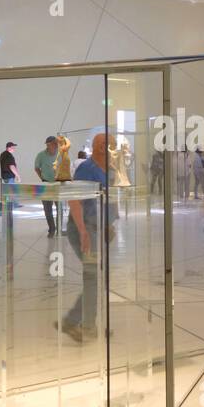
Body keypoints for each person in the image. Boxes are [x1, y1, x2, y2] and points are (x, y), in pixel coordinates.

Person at [59, 133, 118, 342]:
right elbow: (74, 199)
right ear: (93, 147)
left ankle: (80, 322)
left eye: (108, 144)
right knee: (93, 277)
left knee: (96, 278)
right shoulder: (86, 168)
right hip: (85, 230)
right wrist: (83, 231)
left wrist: (110, 224)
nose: (104, 147)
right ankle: (81, 324)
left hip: (100, 229)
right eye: (100, 144)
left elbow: (110, 200)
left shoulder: (111, 169)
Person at [35, 135, 60, 236]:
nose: (56, 145)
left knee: (60, 208)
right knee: (47, 209)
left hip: (58, 184)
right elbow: (37, 168)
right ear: (48, 145)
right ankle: (52, 229)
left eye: (57, 143)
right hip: (45, 184)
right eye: (54, 143)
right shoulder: (41, 155)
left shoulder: (60, 154)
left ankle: (59, 228)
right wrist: (42, 178)